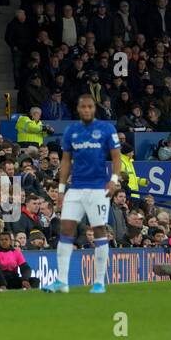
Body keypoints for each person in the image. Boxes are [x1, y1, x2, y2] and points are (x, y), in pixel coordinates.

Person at [43, 94, 121, 294]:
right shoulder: (71, 131)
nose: (86, 110)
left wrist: (113, 180)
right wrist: (61, 189)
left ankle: (99, 282)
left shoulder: (106, 129)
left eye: (89, 107)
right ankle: (62, 282)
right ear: (78, 109)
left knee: (99, 231)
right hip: (76, 188)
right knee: (66, 229)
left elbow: (116, 157)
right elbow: (66, 160)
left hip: (97, 189)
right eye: (83, 107)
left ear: (94, 108)